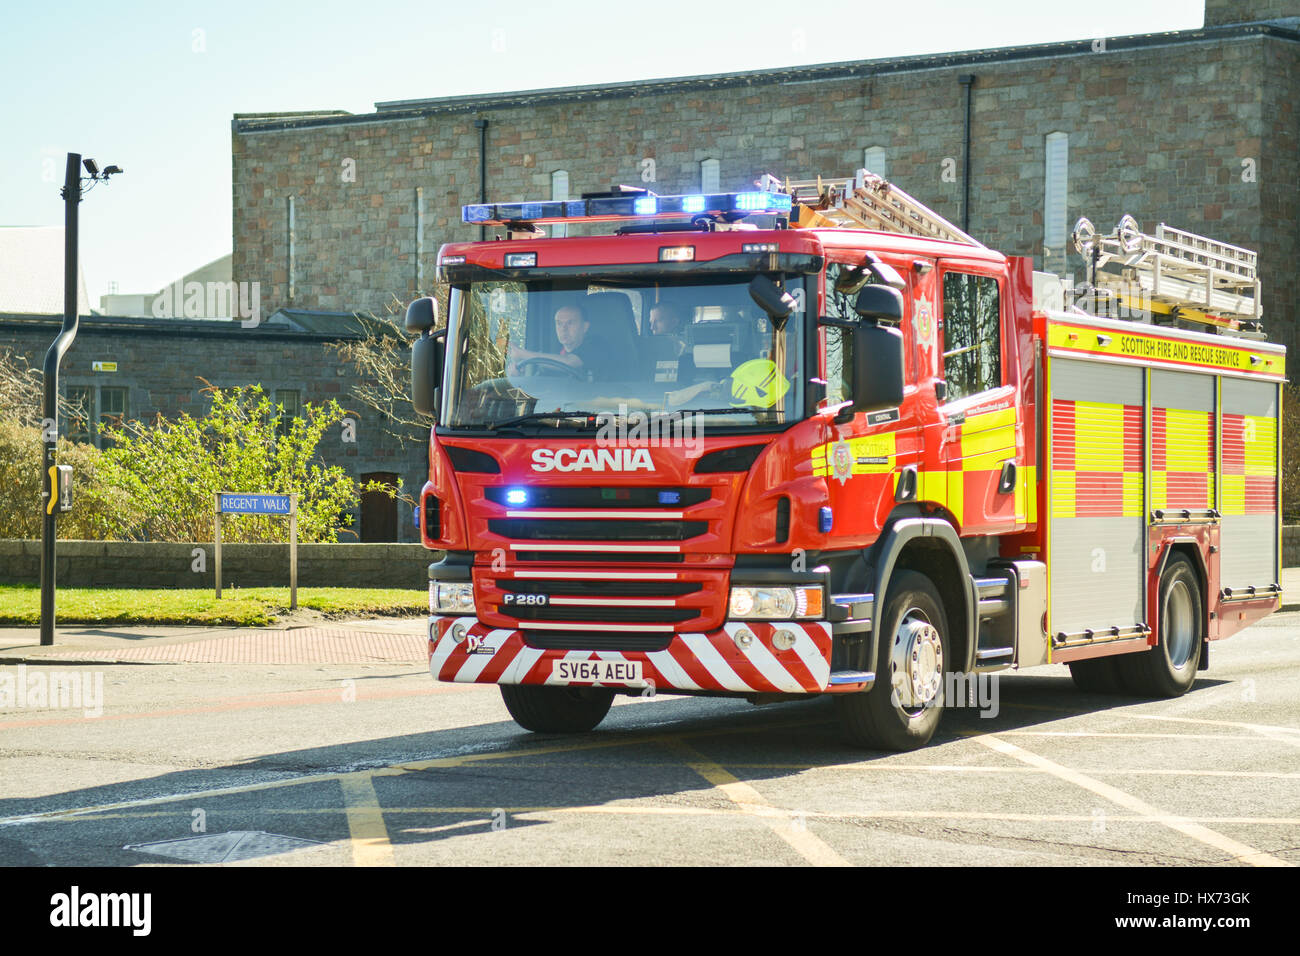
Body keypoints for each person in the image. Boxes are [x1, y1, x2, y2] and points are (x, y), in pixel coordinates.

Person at [508, 303, 607, 378]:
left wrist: (521, 353)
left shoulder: (596, 345)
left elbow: (571, 363)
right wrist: (520, 376)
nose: (563, 329)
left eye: (570, 323)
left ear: (585, 327)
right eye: (559, 323)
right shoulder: (554, 354)